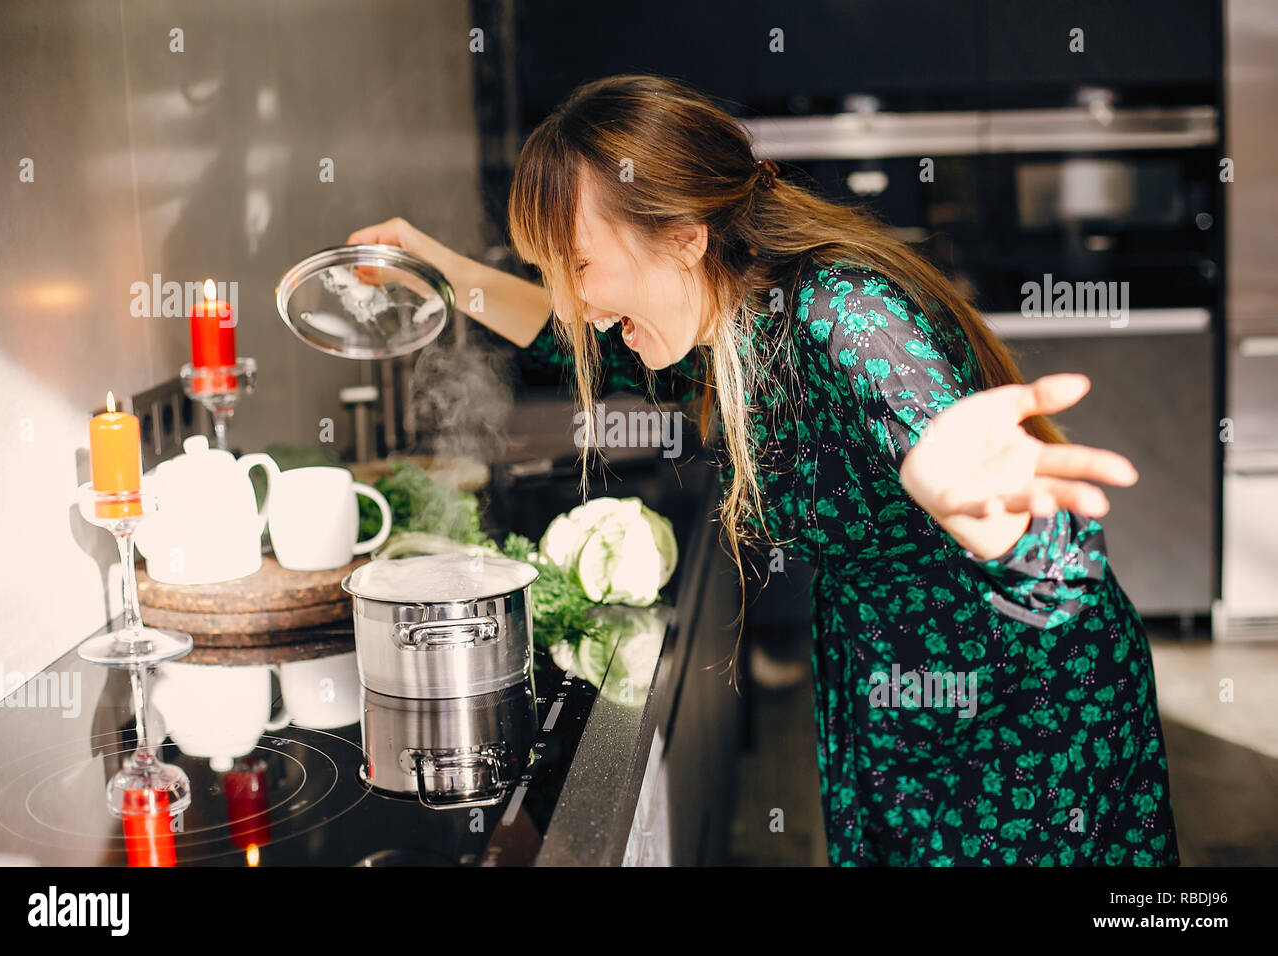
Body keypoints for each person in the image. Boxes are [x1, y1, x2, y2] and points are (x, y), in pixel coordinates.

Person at [347, 73, 1179, 866]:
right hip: (894, 692)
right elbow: (565, 340)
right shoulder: (733, 316)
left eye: (580, 265)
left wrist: (992, 521)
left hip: (1018, 721)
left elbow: (1051, 566)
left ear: (685, 236)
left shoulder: (845, 317)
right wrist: (437, 272)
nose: (571, 303)